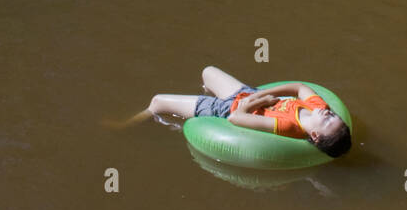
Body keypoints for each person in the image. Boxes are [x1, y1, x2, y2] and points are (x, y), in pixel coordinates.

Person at [127, 65, 352, 158]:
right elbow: (298, 87)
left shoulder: (288, 126)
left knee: (157, 101)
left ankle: (138, 120)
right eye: (334, 115)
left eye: (328, 121)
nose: (329, 114)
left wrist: (254, 101)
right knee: (207, 72)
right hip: (248, 94)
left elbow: (237, 118)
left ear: (314, 135)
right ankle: (195, 100)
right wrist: (260, 95)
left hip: (226, 109)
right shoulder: (318, 108)